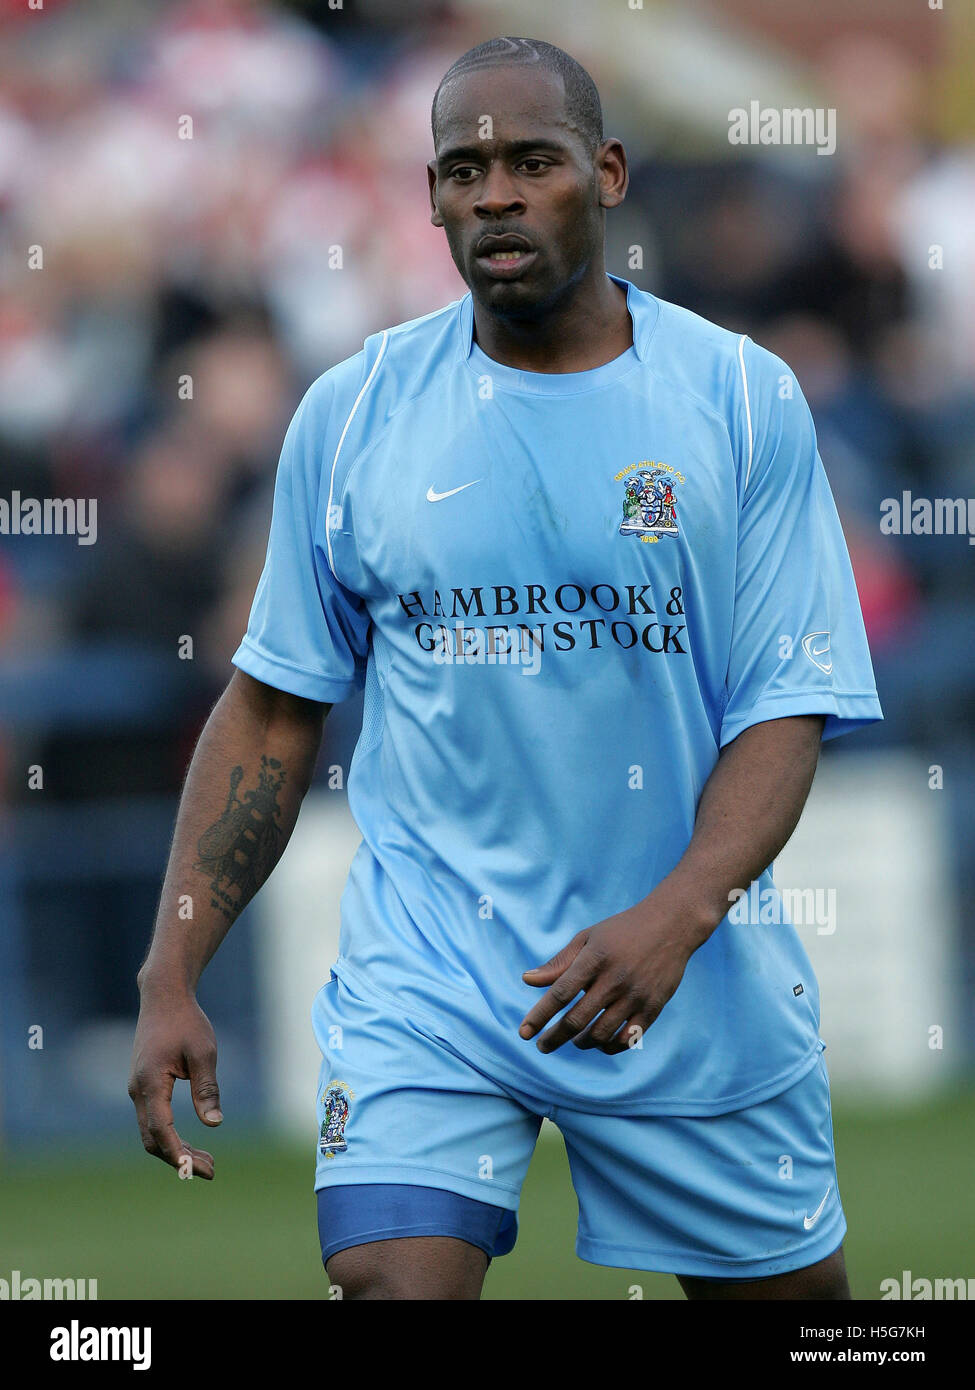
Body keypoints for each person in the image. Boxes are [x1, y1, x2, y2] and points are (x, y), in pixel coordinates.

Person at [129, 36, 883, 1301]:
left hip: (683, 971)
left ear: (610, 172)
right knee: (391, 1282)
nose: (495, 194)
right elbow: (271, 705)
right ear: (428, 197)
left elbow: (787, 702)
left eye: (533, 161)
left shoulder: (742, 400)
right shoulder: (355, 412)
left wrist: (678, 913)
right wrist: (171, 970)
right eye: (463, 169)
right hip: (430, 974)